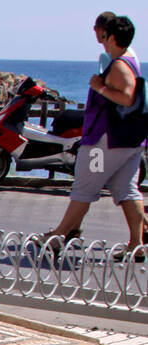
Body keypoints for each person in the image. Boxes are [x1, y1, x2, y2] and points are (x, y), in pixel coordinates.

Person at [38, 15, 146, 259]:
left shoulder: (119, 65)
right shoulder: (131, 58)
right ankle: (137, 244)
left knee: (84, 188)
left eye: (106, 36)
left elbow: (127, 96)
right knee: (127, 190)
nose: (103, 41)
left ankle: (58, 237)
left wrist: (99, 87)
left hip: (104, 141)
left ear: (113, 38)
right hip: (128, 140)